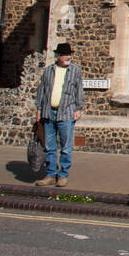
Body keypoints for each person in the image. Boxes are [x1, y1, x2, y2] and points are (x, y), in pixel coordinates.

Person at [34, 42, 84, 187]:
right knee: (49, 146)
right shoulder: (49, 71)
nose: (68, 57)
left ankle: (63, 175)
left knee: (66, 147)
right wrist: (38, 110)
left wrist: (79, 108)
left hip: (66, 112)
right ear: (58, 56)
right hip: (49, 113)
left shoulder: (75, 71)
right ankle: (50, 174)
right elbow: (41, 91)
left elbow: (79, 91)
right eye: (65, 54)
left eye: (69, 54)